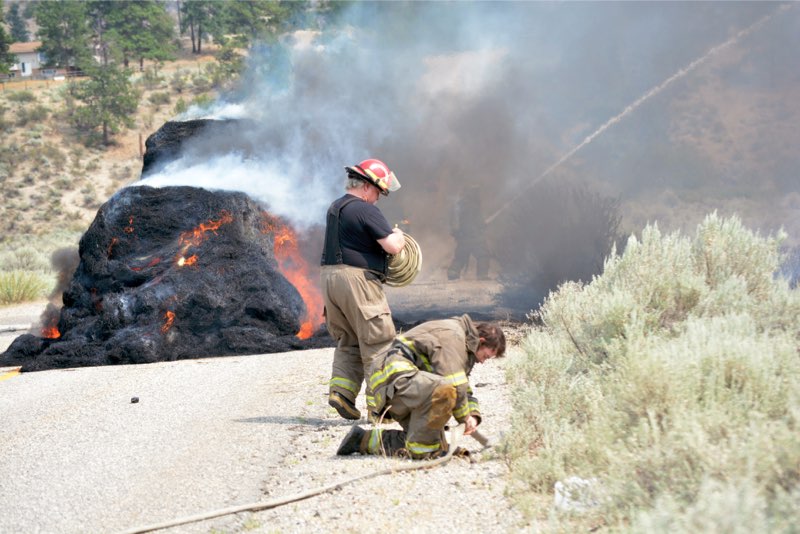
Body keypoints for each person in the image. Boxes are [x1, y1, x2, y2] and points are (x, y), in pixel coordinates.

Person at [336, 314, 506, 459]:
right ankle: (425, 453)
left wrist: (473, 416)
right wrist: (464, 418)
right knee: (444, 392)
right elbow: (455, 385)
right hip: (396, 379)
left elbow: (463, 388)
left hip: (406, 386)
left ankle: (362, 440)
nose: (483, 361)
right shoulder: (454, 336)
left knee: (426, 439)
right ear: (481, 341)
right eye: (486, 356)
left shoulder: (464, 348)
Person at [321, 158, 405, 421]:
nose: (379, 197)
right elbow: (391, 246)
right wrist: (400, 237)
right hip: (357, 280)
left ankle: (342, 394)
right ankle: (382, 409)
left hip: (330, 280)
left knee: (349, 338)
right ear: (367, 186)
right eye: (379, 191)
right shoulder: (365, 209)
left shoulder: (335, 208)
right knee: (378, 340)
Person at [447, 184, 490, 280]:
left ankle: (453, 272)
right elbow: (477, 222)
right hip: (474, 237)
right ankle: (482, 275)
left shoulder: (460, 204)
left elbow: (455, 221)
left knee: (460, 256)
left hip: (462, 237)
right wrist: (483, 225)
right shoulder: (474, 206)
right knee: (483, 255)